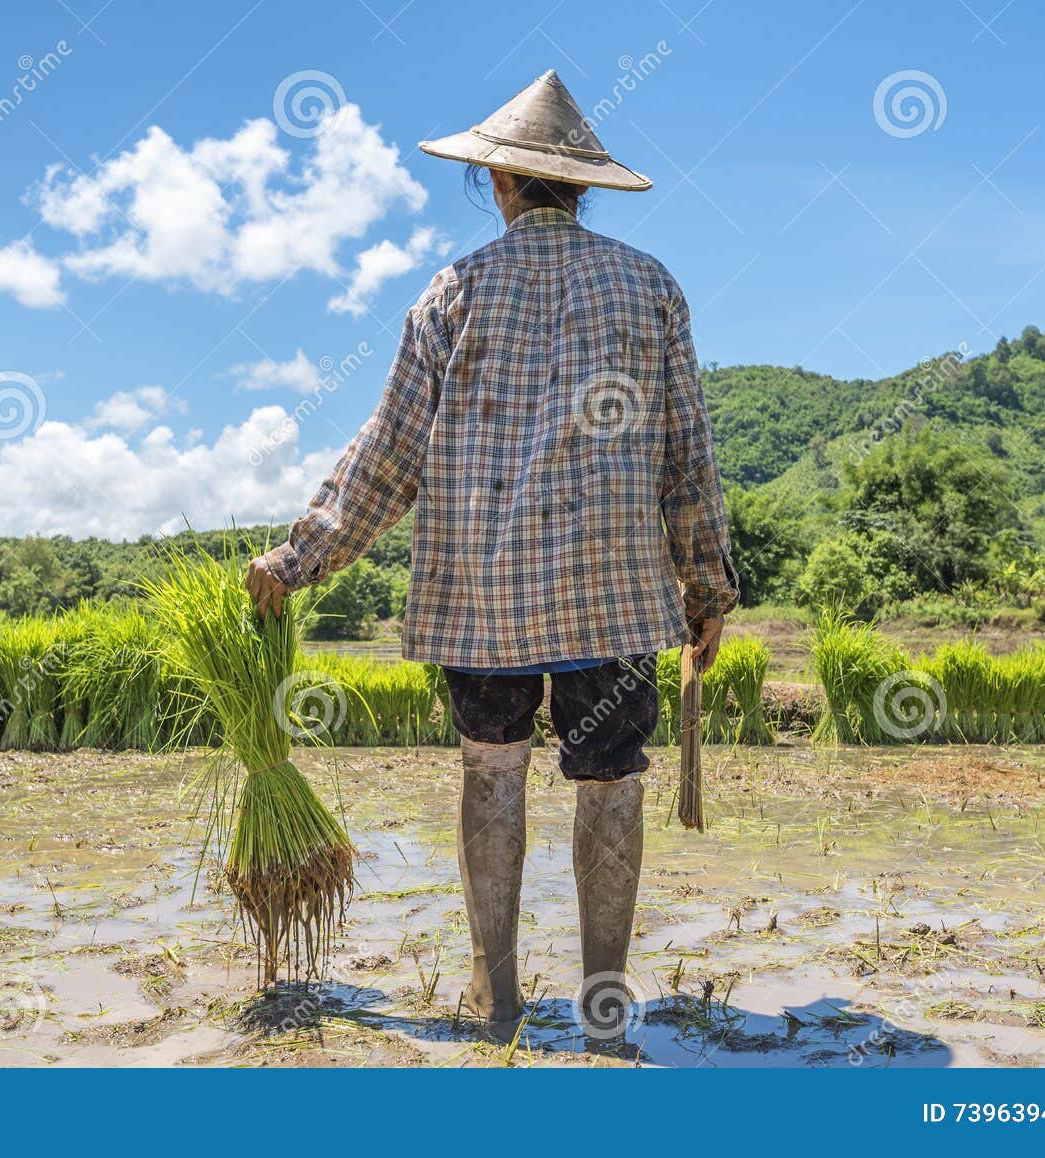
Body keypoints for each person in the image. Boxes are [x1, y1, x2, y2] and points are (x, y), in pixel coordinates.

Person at [246, 69, 738, 1036]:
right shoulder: (650, 287)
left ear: (502, 184)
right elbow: (689, 453)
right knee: (609, 781)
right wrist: (707, 586)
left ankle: (496, 999)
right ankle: (603, 1010)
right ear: (581, 185)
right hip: (613, 596)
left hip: (485, 599)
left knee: (492, 771)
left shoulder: (453, 293)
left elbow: (386, 456)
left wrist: (296, 560)